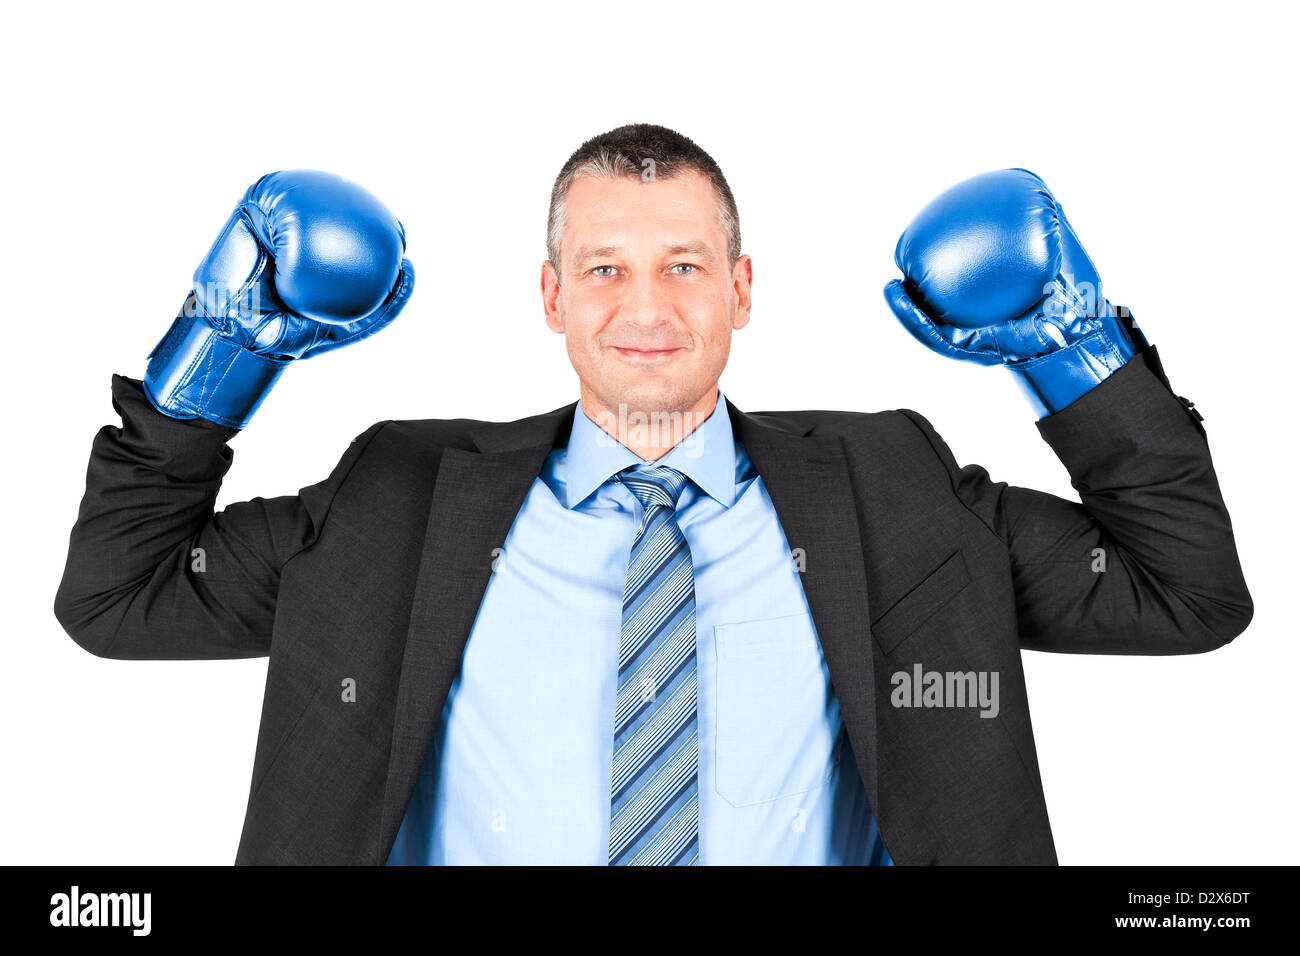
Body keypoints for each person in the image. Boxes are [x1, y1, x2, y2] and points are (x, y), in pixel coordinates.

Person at [54, 124, 1252, 865]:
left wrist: (1069, 345)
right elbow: (118, 598)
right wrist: (219, 350)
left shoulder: (892, 482)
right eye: (605, 268)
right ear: (549, 293)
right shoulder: (396, 491)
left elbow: (1186, 592)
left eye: (683, 265)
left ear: (740, 289)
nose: (645, 307)